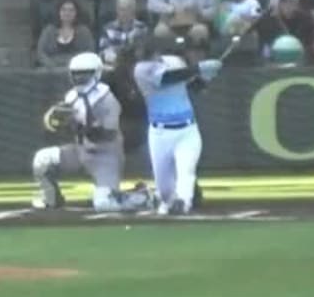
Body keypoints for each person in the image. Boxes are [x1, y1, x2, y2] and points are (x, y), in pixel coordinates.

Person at [32, 52, 154, 213]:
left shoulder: (107, 99)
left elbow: (107, 134)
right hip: (80, 150)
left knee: (104, 204)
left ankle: (142, 196)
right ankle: (51, 198)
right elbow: (57, 117)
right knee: (42, 159)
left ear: (96, 73)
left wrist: (76, 126)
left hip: (105, 157)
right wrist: (55, 119)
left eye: (85, 74)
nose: (80, 79)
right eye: (77, 74)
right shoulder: (72, 96)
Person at [132, 37, 222, 216]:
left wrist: (204, 79)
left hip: (187, 130)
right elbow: (169, 78)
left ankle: (184, 201)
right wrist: (198, 68)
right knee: (165, 188)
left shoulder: (174, 62)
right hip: (159, 134)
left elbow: (193, 85)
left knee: (186, 172)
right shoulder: (141, 69)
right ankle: (167, 199)